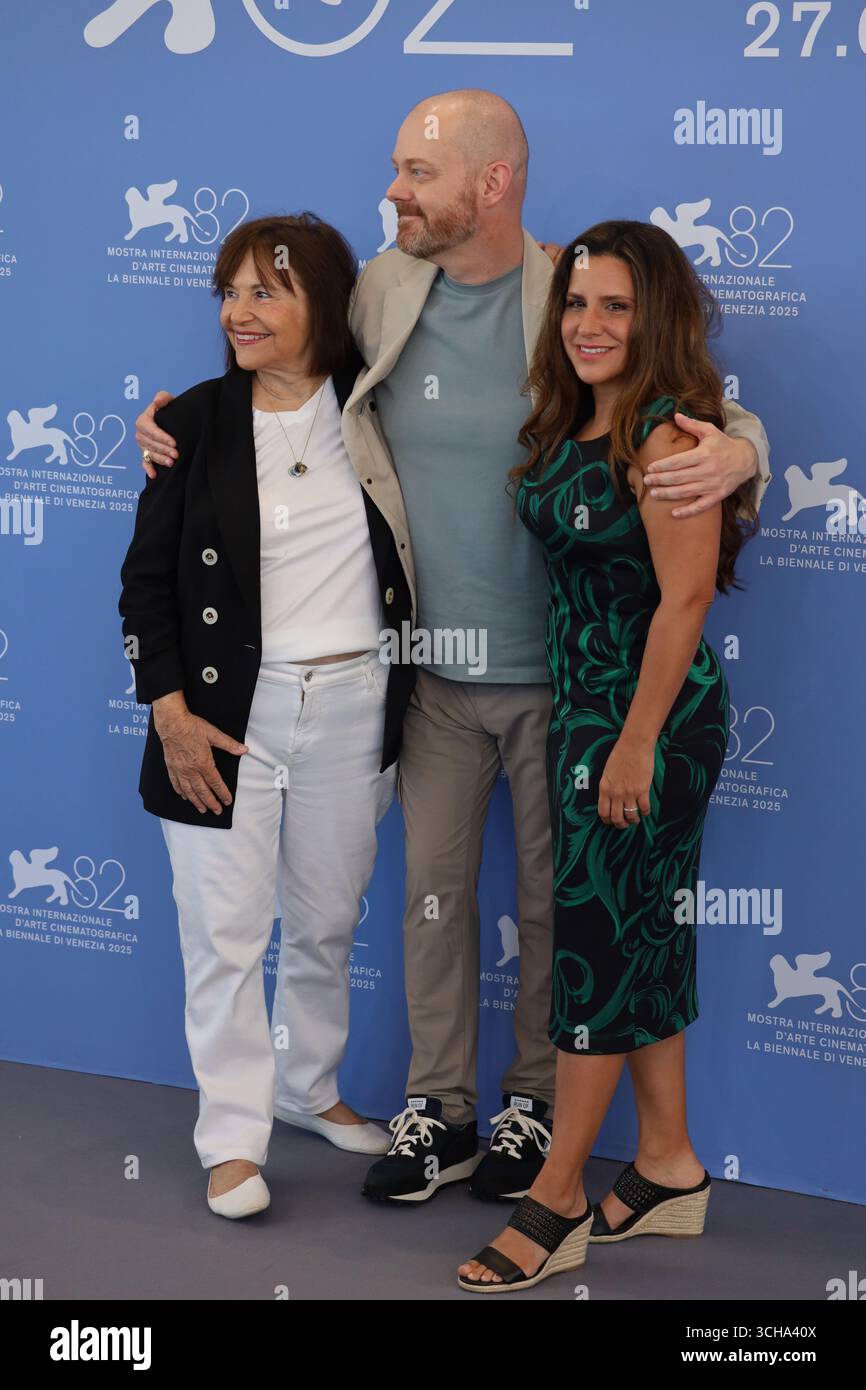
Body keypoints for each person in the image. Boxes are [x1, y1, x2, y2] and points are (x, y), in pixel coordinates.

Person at [134, 89, 772, 1207]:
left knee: (549, 905)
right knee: (428, 902)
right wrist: (180, 422)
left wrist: (739, 451)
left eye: (415, 174)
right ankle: (441, 1109)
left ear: (490, 184)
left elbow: (676, 384)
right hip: (425, 675)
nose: (392, 191)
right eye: (394, 169)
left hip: (564, 681)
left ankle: (530, 1105)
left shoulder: (567, 295)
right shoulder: (384, 289)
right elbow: (280, 369)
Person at [457, 221, 759, 1291]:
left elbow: (681, 603)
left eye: (615, 306)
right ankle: (669, 1165)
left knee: (589, 953)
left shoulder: (673, 441)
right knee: (639, 938)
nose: (588, 323)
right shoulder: (577, 420)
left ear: (655, 318)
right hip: (589, 717)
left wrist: (632, 742)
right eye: (575, 302)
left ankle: (558, 1194)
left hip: (649, 725)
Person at [119, 213, 414, 1218]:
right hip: (220, 717)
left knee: (327, 918)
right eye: (229, 292)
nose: (239, 312)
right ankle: (233, 1138)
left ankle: (308, 1086)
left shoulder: (378, 412)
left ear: (322, 306)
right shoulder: (192, 422)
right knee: (225, 932)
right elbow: (144, 585)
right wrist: (169, 711)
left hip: (354, 706)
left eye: (265, 292)